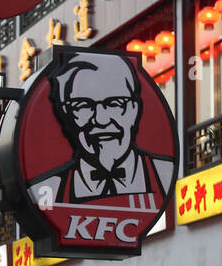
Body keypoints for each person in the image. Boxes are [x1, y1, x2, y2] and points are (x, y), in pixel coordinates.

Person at [28, 52, 175, 204]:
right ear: (66, 115)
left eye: (115, 103)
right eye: (83, 106)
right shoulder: (46, 193)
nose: (101, 119)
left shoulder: (165, 176)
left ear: (134, 110)